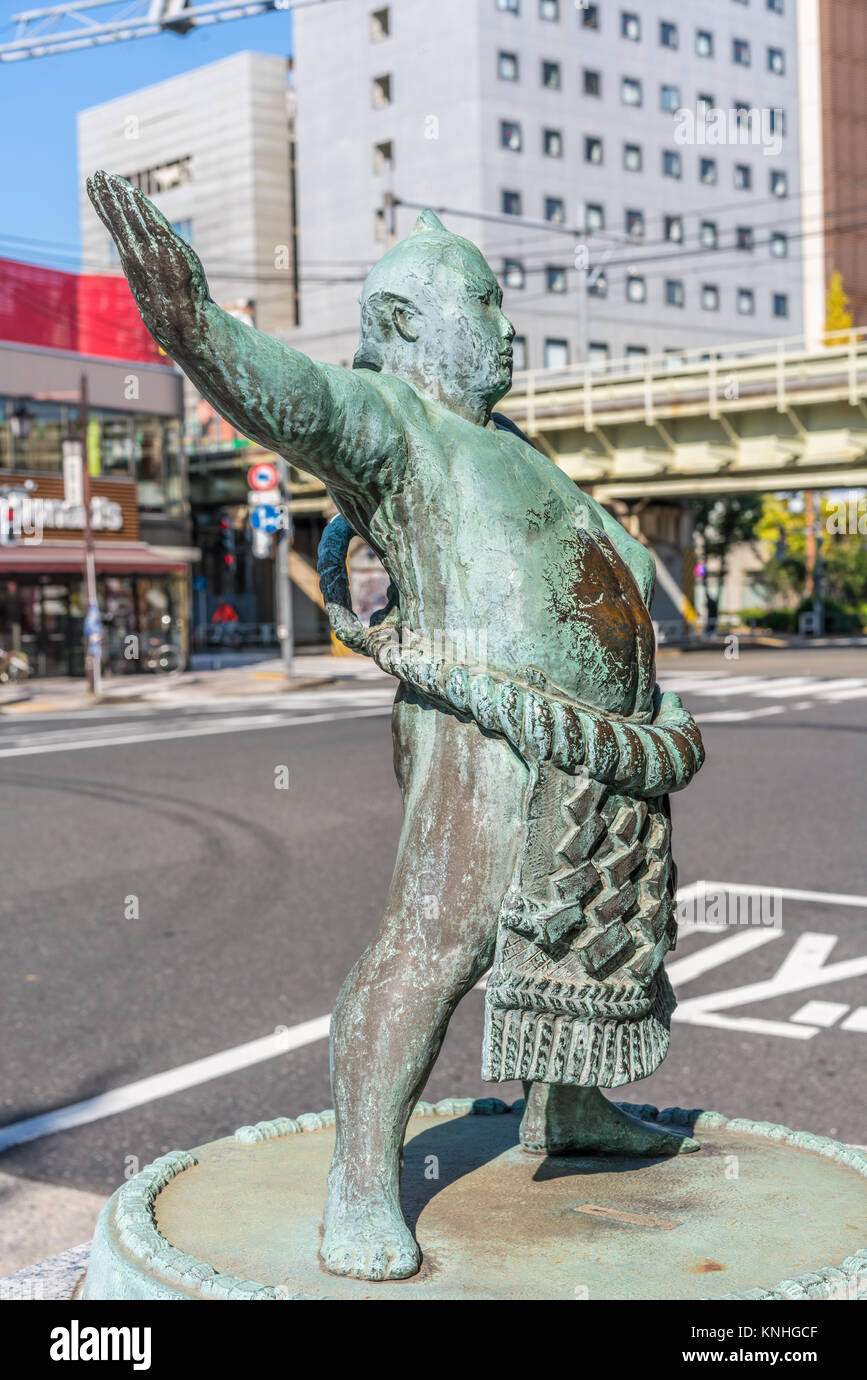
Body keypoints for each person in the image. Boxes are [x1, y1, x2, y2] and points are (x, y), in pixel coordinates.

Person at [88, 172, 704, 1284]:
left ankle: (568, 1104)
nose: (510, 329)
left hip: (594, 743)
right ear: (415, 324)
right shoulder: (396, 422)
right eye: (488, 305)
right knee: (441, 935)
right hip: (484, 729)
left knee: (571, 923)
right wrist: (189, 325)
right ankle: (365, 1175)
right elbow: (294, 395)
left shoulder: (505, 437)